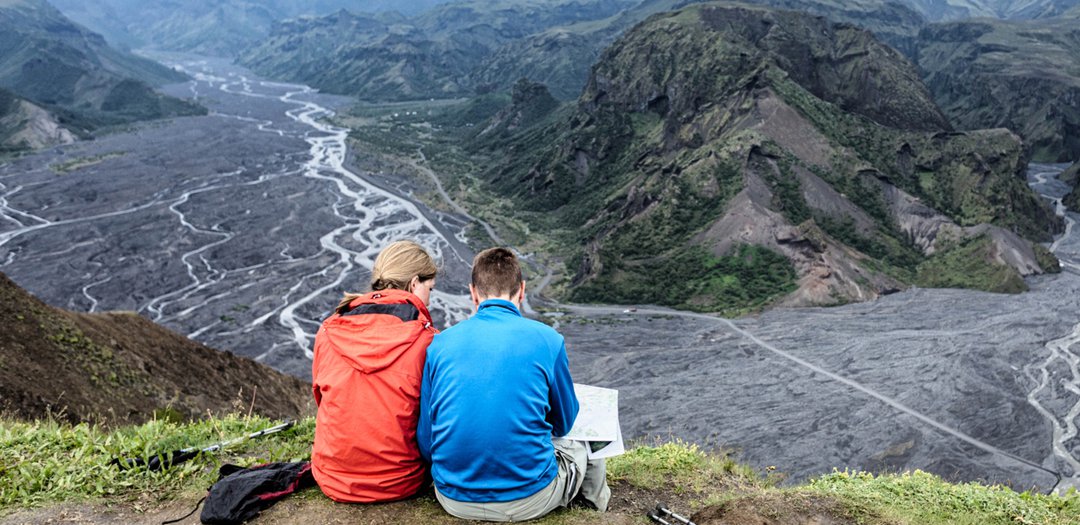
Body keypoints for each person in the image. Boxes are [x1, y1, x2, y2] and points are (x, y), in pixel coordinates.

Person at [418, 247, 610, 521]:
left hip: (452, 497)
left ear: (473, 293)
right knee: (586, 438)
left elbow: (427, 438)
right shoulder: (548, 339)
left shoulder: (439, 344)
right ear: (522, 290)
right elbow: (564, 424)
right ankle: (598, 511)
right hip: (529, 498)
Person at [310, 240, 439, 502]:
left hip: (332, 478)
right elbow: (432, 418)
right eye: (430, 288)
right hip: (401, 480)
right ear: (414, 283)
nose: (429, 297)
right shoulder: (428, 341)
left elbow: (322, 399)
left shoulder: (328, 331)